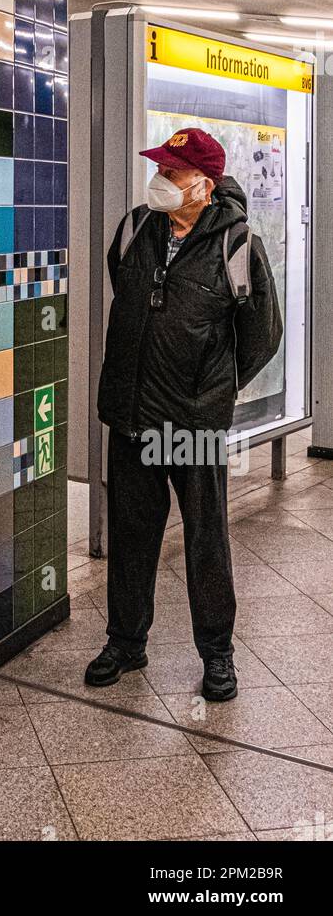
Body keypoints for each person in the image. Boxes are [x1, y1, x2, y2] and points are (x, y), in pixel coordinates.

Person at [86, 127, 283, 701]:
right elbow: (127, 297)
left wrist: (213, 389)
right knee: (132, 533)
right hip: (130, 413)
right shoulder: (134, 230)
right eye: (161, 169)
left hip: (193, 425)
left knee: (204, 538)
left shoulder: (237, 243)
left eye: (172, 173)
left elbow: (261, 336)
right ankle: (125, 641)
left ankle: (217, 655)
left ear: (204, 183)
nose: (161, 181)